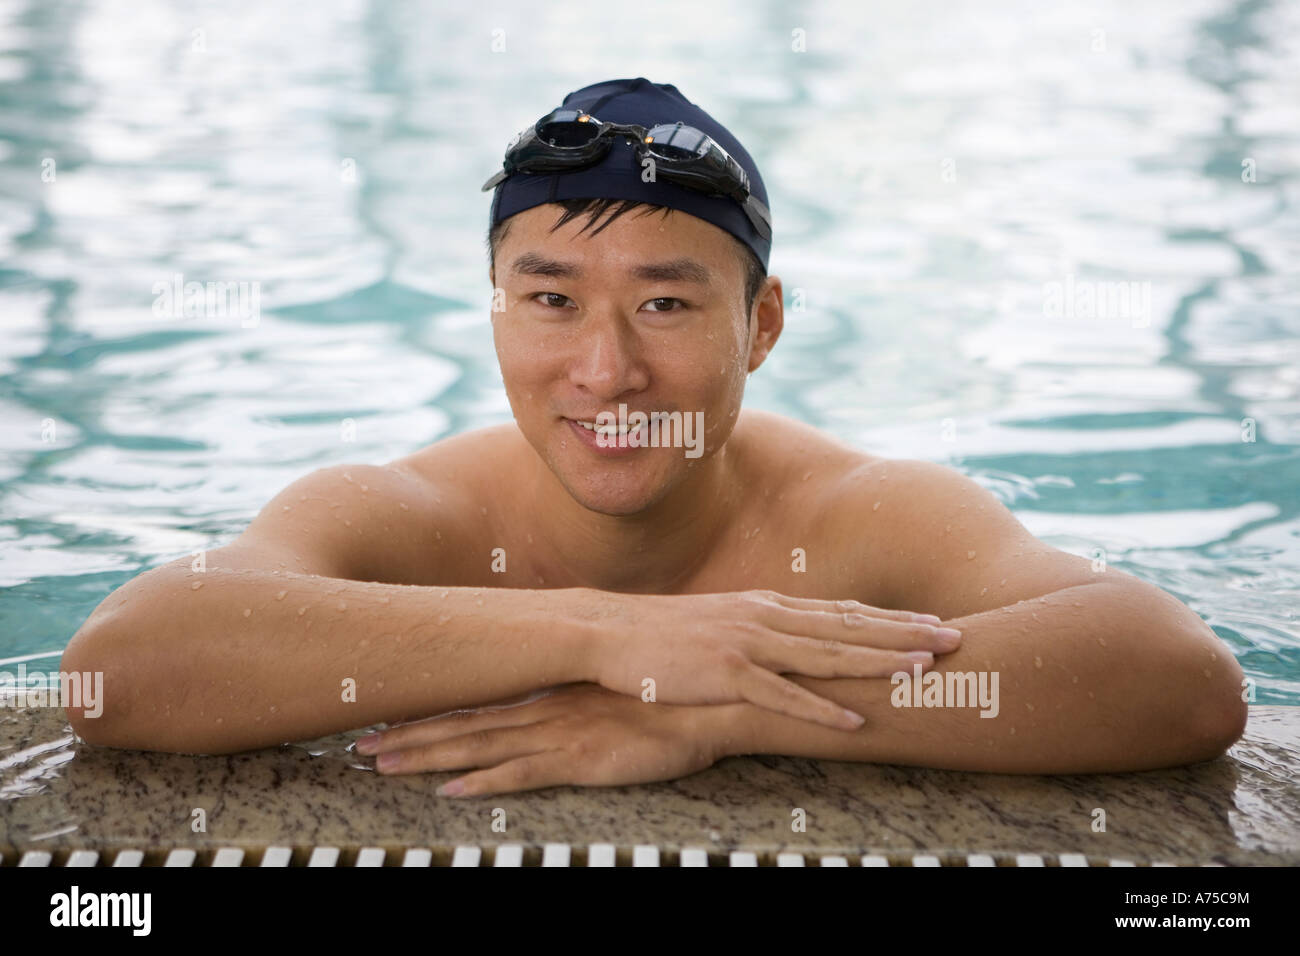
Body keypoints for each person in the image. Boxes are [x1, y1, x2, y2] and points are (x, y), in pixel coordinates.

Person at [61, 78, 1247, 797]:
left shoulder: (860, 515)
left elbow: (1174, 675)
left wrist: (719, 707)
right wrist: (611, 632)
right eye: (550, 298)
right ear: (495, 312)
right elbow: (123, 669)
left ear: (760, 326)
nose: (605, 370)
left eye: (667, 304)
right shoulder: (412, 515)